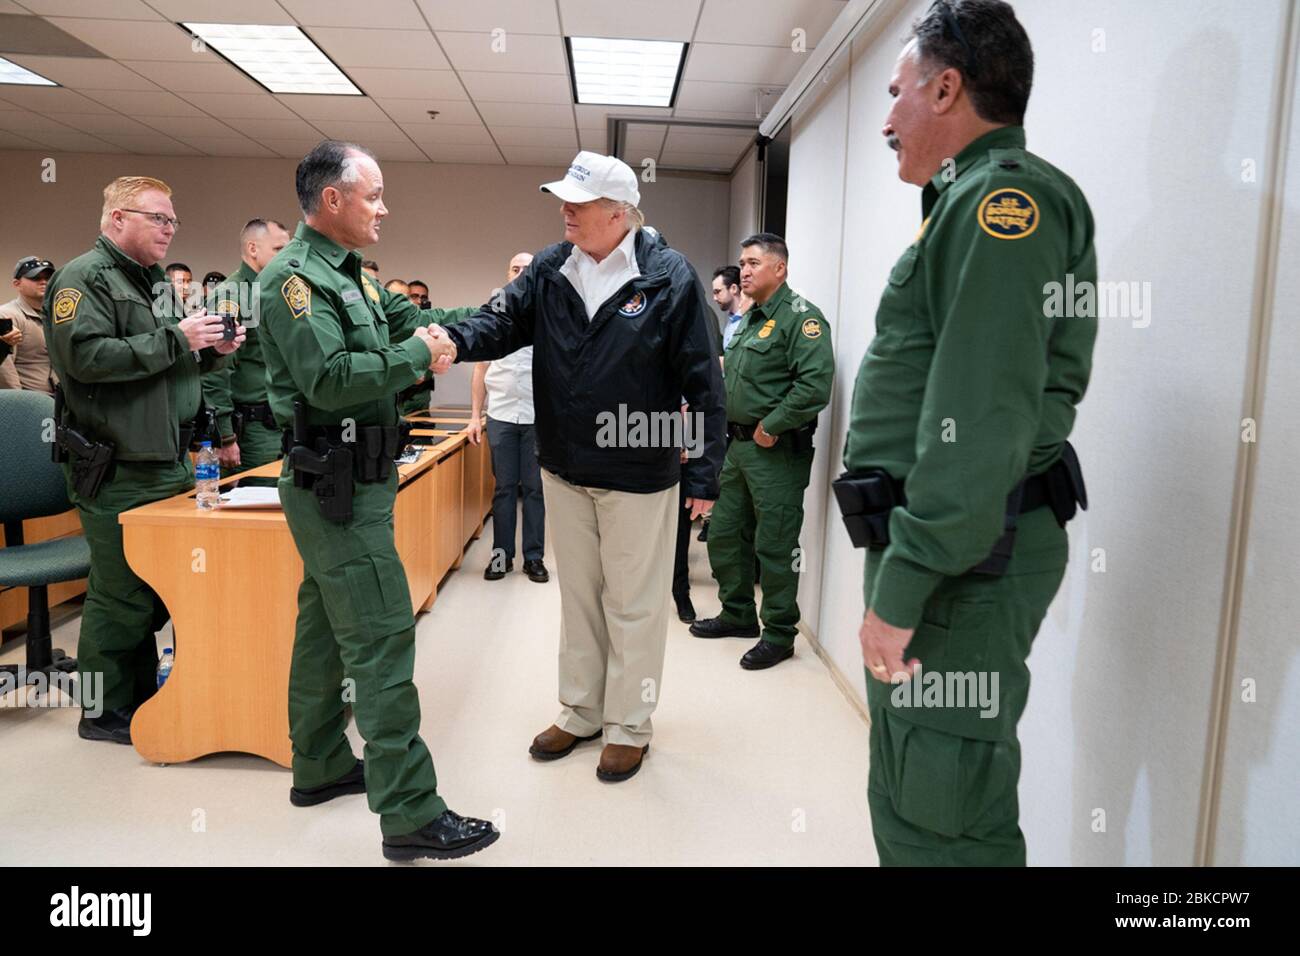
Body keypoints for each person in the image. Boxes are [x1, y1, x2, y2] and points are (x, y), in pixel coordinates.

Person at [848, 0, 1096, 866]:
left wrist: (903, 585)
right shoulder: (968, 202)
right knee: (919, 780)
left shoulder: (1004, 205)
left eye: (896, 92)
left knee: (941, 812)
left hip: (963, 556)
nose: (885, 119)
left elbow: (979, 425)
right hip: (955, 547)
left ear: (946, 87)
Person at [436, 151, 725, 783]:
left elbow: (703, 381)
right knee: (580, 599)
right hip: (565, 463)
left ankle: (630, 724)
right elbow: (502, 320)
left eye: (580, 202)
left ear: (619, 213)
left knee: (636, 604)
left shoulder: (669, 276)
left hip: (640, 469)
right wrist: (452, 341)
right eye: (563, 199)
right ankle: (582, 710)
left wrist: (703, 475)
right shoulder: (549, 267)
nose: (565, 210)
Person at [258, 140, 498, 861]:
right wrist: (422, 355)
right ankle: (411, 814)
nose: (384, 208)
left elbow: (421, 321)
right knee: (384, 637)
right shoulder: (292, 282)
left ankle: (322, 763)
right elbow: (332, 379)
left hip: (355, 481)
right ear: (333, 200)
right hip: (334, 484)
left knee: (324, 629)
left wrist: (512, 313)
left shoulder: (352, 276)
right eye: (374, 195)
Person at [44, 176, 243, 743]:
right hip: (117, 467)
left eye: (173, 220)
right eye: (157, 218)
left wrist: (210, 352)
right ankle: (103, 711)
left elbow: (167, 364)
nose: (169, 228)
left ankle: (134, 696)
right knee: (121, 590)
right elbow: (85, 359)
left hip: (165, 460)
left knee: (157, 588)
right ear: (116, 220)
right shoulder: (82, 279)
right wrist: (180, 338)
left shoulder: (153, 281)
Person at [690, 234, 834, 670]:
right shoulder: (749, 321)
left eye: (753, 263)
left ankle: (779, 634)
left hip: (776, 451)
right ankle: (737, 614)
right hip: (738, 448)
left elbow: (814, 385)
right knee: (726, 532)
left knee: (775, 544)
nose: (744, 270)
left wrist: (771, 426)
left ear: (780, 269)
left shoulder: (801, 319)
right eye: (742, 263)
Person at [467, 252, 547, 583]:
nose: (521, 273)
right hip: (499, 414)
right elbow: (480, 367)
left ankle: (534, 558)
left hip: (536, 416)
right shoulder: (495, 307)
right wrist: (475, 416)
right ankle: (501, 556)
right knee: (503, 489)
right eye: (516, 268)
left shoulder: (546, 310)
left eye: (528, 269)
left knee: (534, 489)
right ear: (507, 272)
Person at [201, 218, 291, 474]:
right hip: (253, 431)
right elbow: (215, 370)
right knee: (262, 503)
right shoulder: (231, 296)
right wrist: (226, 436)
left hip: (280, 425)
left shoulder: (270, 292)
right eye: (278, 250)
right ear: (253, 249)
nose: (286, 258)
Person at [0, 256, 58, 394]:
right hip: (29, 400)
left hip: (59, 400)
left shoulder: (56, 315)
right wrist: (20, 402)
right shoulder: (7, 315)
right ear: (17, 283)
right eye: (35, 278)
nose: (44, 282)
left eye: (48, 277)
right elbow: (5, 369)